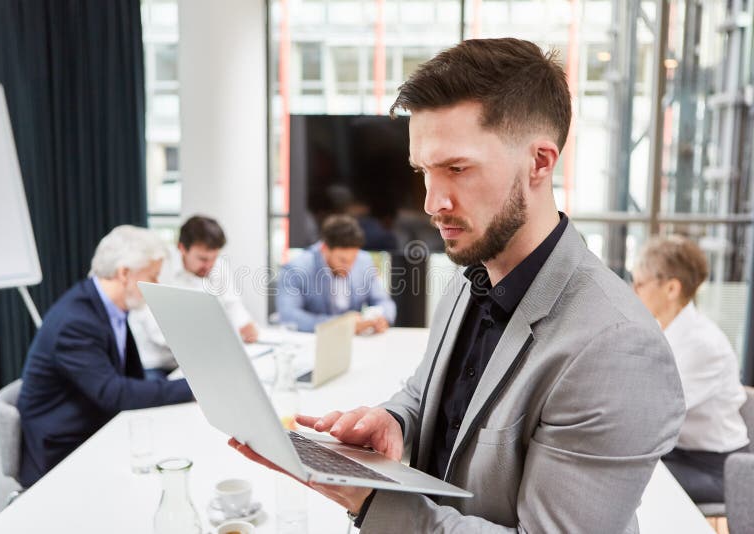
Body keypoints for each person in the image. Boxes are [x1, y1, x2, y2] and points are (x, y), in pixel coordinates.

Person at [232, 38, 685, 532]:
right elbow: (425, 394)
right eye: (424, 172)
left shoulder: (618, 349)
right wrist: (395, 421)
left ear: (539, 162)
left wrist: (371, 502)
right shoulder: (470, 276)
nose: (432, 203)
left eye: (457, 169)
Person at [17, 226, 194, 487]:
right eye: (152, 277)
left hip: (97, 422)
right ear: (124, 273)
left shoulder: (109, 308)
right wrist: (192, 389)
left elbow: (128, 379)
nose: (155, 285)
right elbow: (114, 393)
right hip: (64, 446)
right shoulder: (75, 322)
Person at [633, 235, 749, 503]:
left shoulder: (702, 344)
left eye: (640, 284)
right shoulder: (665, 332)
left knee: (636, 486)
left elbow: (656, 414)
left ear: (672, 289)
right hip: (680, 454)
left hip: (717, 468)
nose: (634, 291)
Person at [129, 215, 258, 378]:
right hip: (159, 362)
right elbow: (154, 326)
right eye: (203, 259)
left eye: (214, 258)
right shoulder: (159, 268)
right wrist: (206, 342)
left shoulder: (216, 266)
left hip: (201, 359)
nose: (209, 265)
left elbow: (232, 304)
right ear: (182, 248)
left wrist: (244, 324)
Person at [276, 214, 396, 334]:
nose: (349, 266)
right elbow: (288, 315)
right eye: (342, 260)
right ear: (325, 249)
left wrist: (382, 318)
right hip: (314, 342)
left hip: (357, 342)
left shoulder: (364, 261)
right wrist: (341, 325)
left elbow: (384, 302)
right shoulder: (296, 269)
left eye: (353, 258)